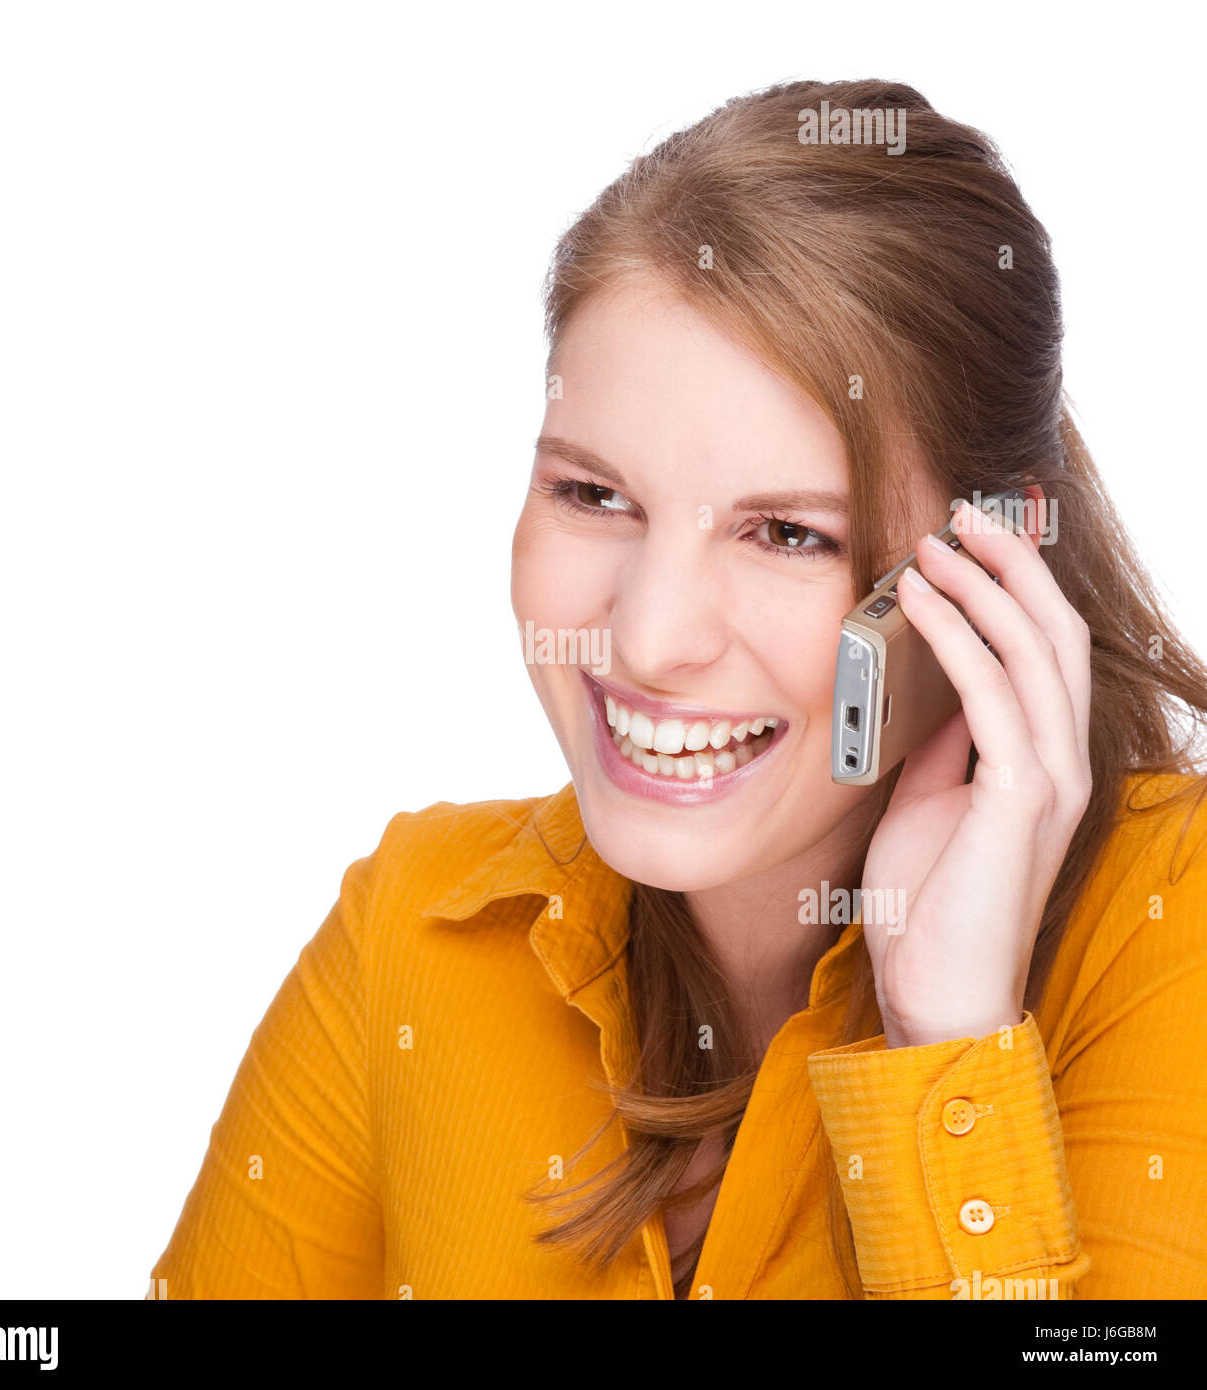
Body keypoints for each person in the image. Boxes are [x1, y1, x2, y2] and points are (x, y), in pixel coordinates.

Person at [148, 78, 1207, 1300]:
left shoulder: (1170, 934)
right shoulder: (420, 931)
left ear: (988, 563)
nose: (647, 640)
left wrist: (952, 1045)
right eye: (594, 496)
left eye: (786, 534)